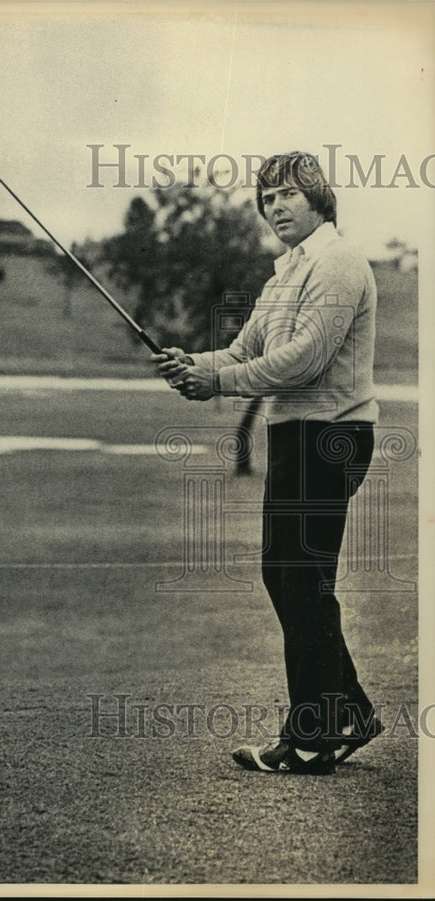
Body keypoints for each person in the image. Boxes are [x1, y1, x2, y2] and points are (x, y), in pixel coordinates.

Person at [153, 151, 382, 774]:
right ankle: (350, 711)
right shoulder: (285, 274)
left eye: (288, 195)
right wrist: (192, 365)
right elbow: (243, 349)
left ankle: (311, 738)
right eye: (268, 198)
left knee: (303, 581)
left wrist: (218, 385)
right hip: (294, 436)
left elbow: (305, 360)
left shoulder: (337, 263)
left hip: (331, 435)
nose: (276, 206)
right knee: (285, 576)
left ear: (319, 200)